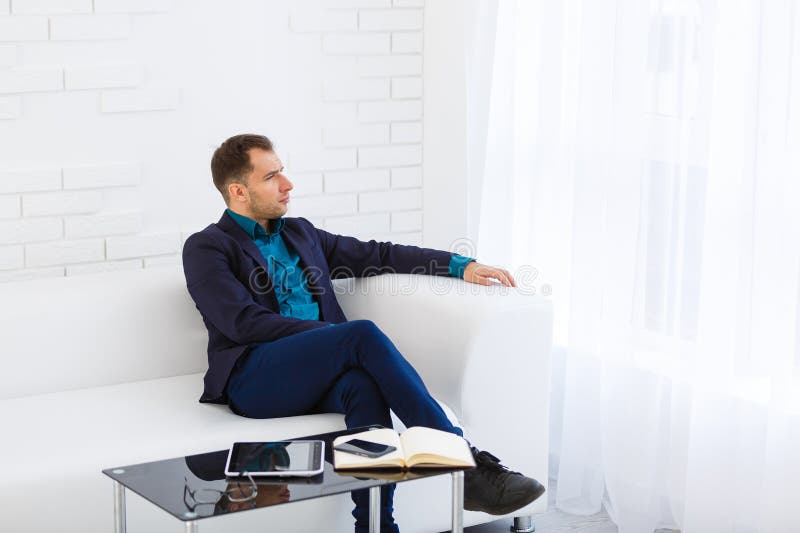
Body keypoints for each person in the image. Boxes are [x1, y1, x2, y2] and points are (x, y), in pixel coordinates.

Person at [182, 134, 545, 532]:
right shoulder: (207, 247)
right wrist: (332, 337)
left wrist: (460, 265)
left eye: (283, 171)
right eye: (272, 176)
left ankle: (375, 526)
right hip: (255, 376)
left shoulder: (300, 233)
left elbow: (379, 254)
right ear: (238, 191)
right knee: (359, 336)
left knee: (363, 386)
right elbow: (241, 322)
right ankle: (464, 463)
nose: (287, 184)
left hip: (320, 370)